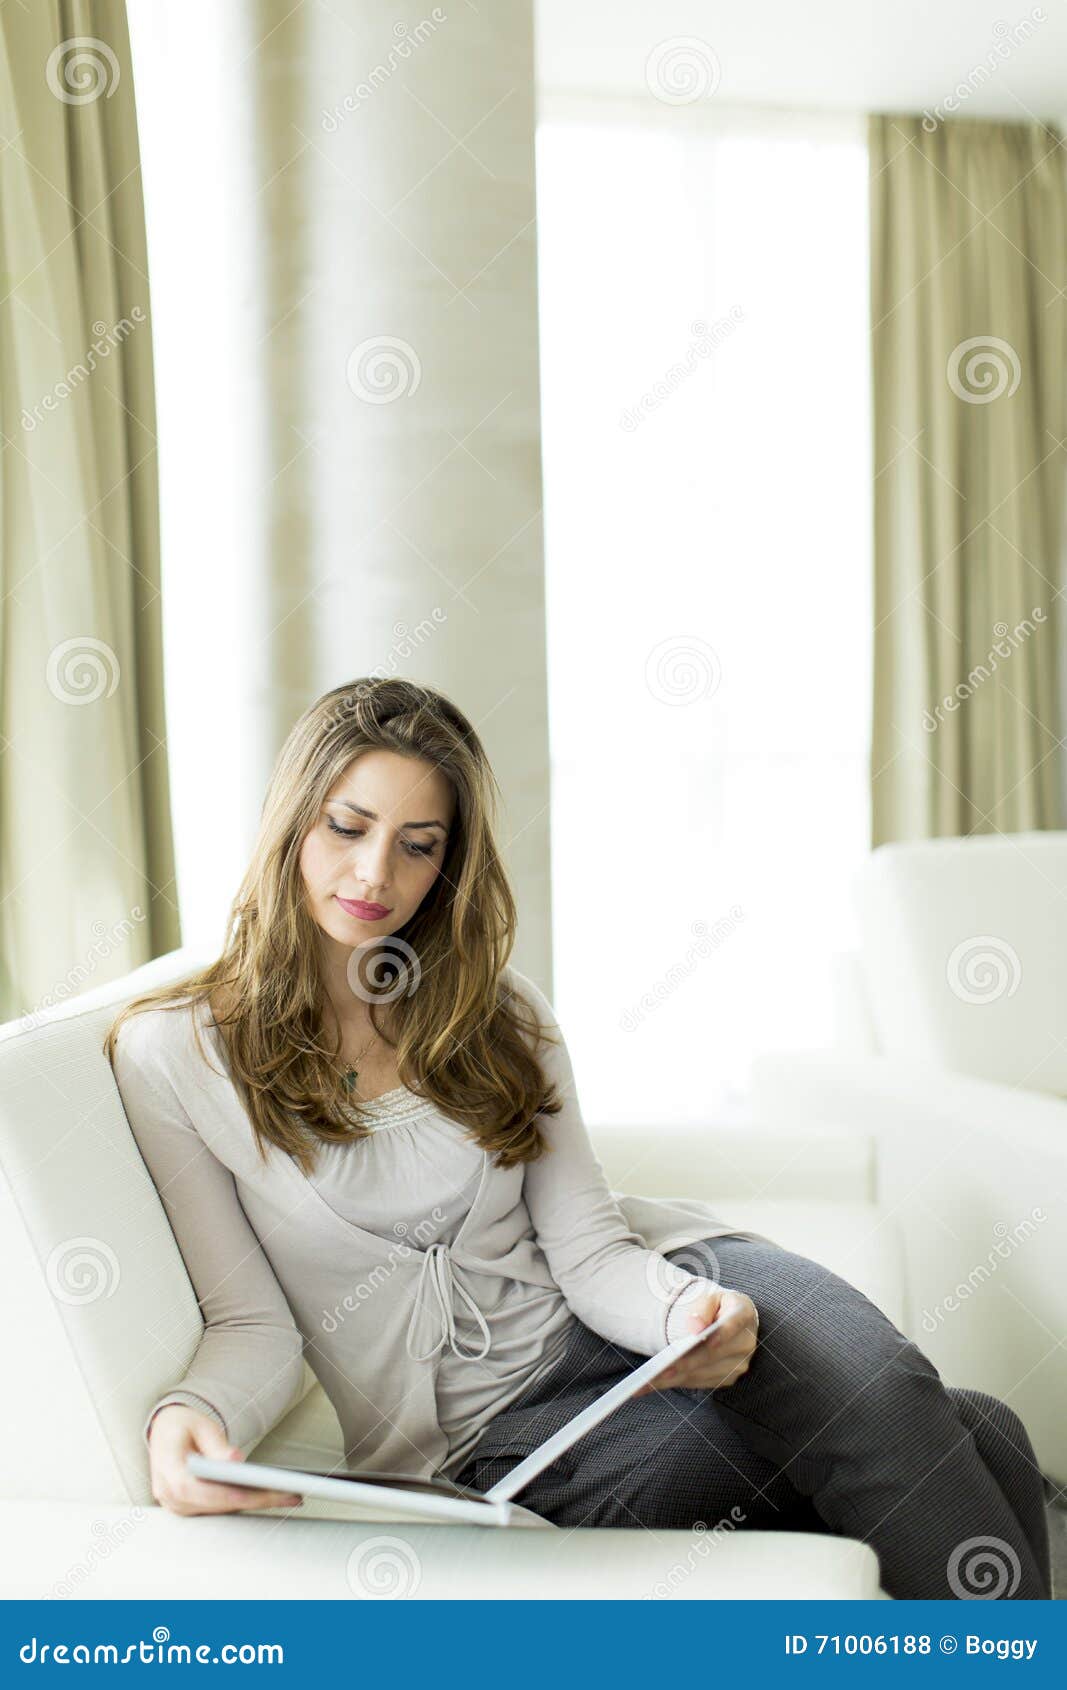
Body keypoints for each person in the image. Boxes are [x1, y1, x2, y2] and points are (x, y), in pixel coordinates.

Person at [105, 677, 1051, 1600]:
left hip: (655, 1292)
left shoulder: (498, 1012)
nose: (374, 875)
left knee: (884, 1386)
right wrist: (191, 1415)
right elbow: (251, 1323)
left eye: (417, 845)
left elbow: (592, 1250)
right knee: (980, 1433)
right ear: (288, 822)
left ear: (449, 865)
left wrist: (680, 1315)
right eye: (345, 828)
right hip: (507, 1447)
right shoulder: (176, 1054)